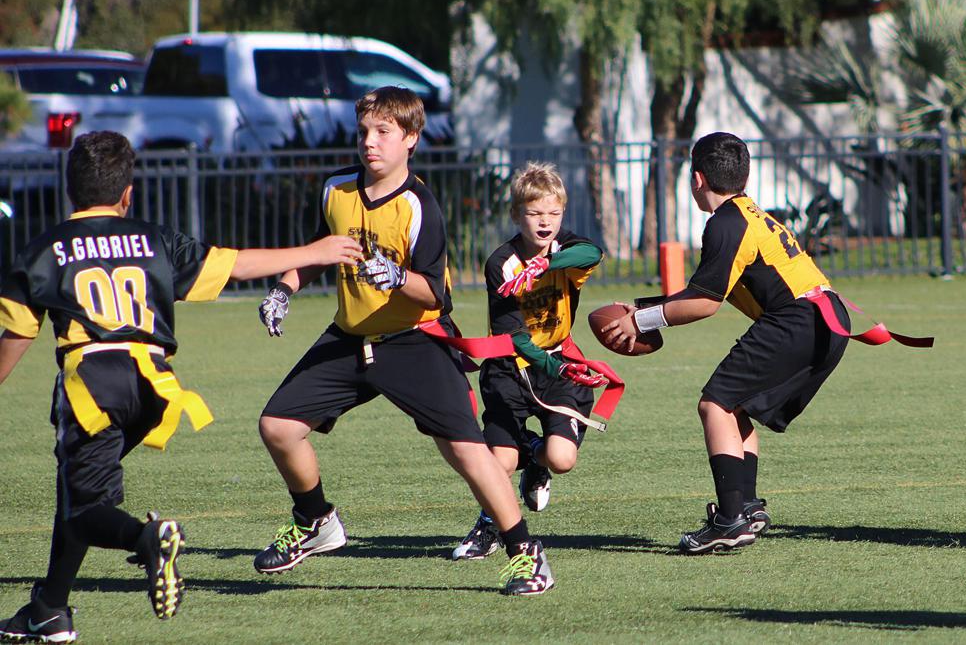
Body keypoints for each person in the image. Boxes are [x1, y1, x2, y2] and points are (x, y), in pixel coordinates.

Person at [0, 131, 364, 643]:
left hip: (93, 389)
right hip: (153, 387)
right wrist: (313, 249)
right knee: (78, 491)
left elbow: (16, 335)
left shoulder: (43, 251)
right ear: (128, 193)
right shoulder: (152, 239)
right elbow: (235, 263)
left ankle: (146, 538)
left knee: (84, 507)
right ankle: (49, 609)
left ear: (69, 192)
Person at [253, 86, 554, 596]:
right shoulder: (335, 190)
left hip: (414, 340)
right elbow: (313, 253)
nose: (370, 143)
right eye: (364, 131)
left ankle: (525, 553)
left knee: (465, 451)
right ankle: (315, 521)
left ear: (411, 139)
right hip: (350, 337)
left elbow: (432, 291)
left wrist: (394, 275)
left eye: (384, 132)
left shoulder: (419, 205)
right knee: (278, 426)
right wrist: (283, 289)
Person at [600, 131, 851, 555]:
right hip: (828, 318)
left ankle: (730, 519)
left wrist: (638, 321)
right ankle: (747, 508)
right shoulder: (749, 214)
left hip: (797, 321)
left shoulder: (725, 224)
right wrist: (642, 305)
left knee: (714, 404)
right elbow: (708, 288)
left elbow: (703, 304)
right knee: (737, 407)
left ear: (697, 179)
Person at [452, 162, 609, 561]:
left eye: (553, 213)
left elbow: (593, 251)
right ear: (516, 215)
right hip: (512, 368)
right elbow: (517, 338)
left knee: (562, 459)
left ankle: (536, 458)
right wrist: (554, 366)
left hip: (558, 368)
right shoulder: (501, 264)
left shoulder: (566, 249)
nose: (545, 222)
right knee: (500, 462)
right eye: (535, 213)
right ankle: (488, 526)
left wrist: (545, 264)